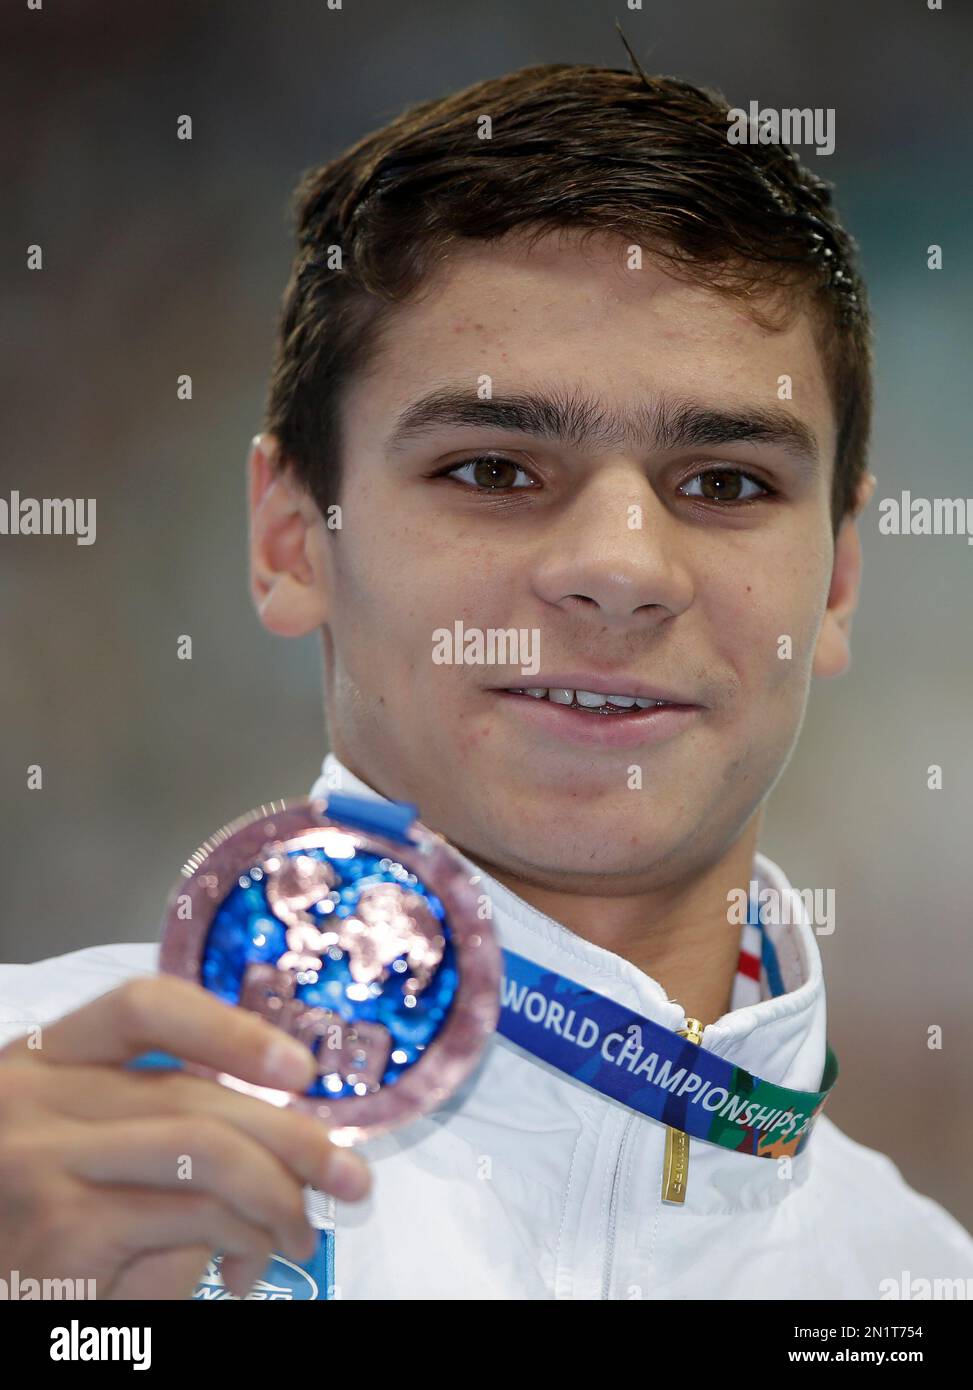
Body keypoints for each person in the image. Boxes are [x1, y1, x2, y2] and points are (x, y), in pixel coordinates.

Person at [2, 61, 971, 1301]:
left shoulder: (914, 1286)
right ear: (290, 538)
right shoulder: (28, 1120)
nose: (622, 570)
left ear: (834, 583)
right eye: (493, 470)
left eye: (725, 483)